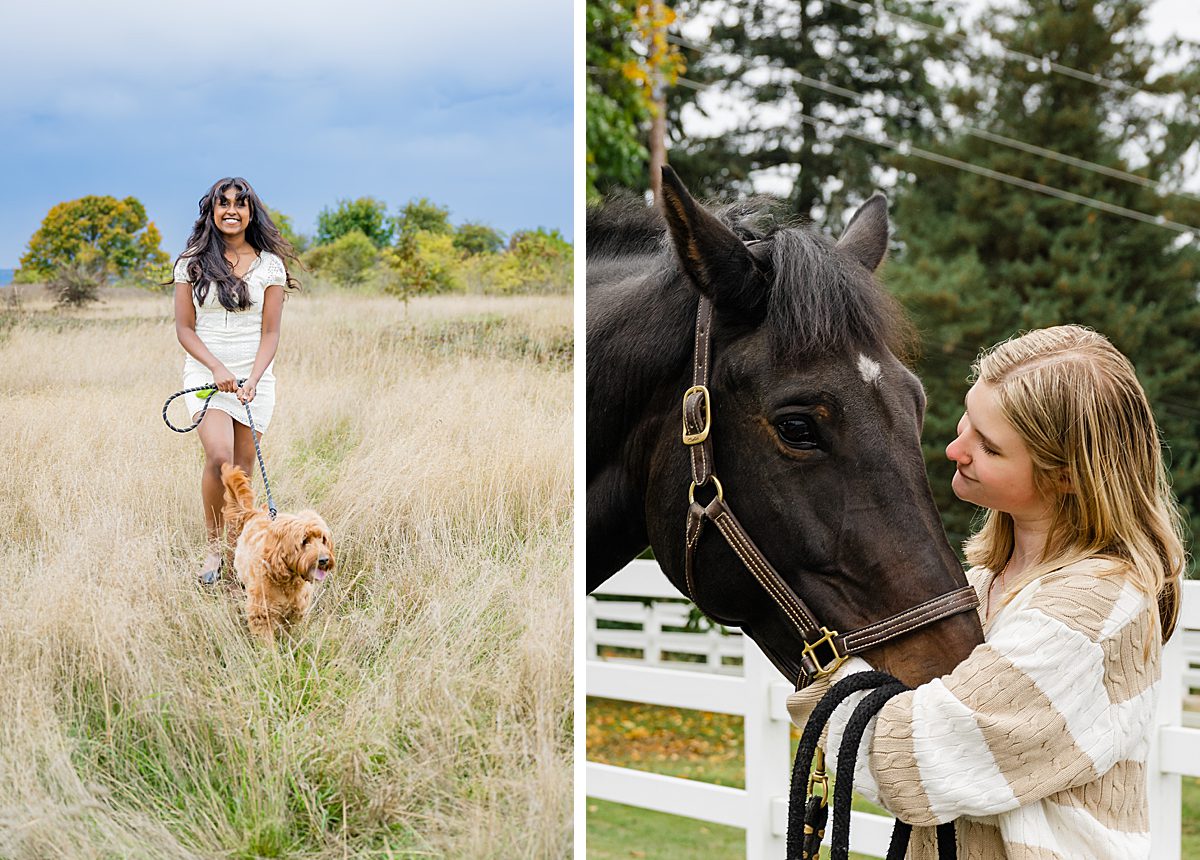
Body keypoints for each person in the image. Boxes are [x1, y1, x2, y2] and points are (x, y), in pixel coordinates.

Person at [788, 325, 1185, 858]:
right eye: (967, 421)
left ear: (1066, 476)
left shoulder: (1090, 613)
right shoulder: (981, 583)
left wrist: (818, 662)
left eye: (990, 447)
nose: (955, 449)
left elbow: (915, 762)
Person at [172, 177, 298, 584]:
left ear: (250, 212)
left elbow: (271, 333)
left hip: (254, 378)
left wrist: (254, 379)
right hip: (208, 374)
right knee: (219, 457)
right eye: (222, 203)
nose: (231, 210)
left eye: (239, 204)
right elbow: (185, 329)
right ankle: (213, 551)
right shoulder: (190, 262)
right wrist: (217, 369)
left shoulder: (270, 266)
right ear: (211, 211)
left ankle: (237, 551)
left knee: (242, 470)